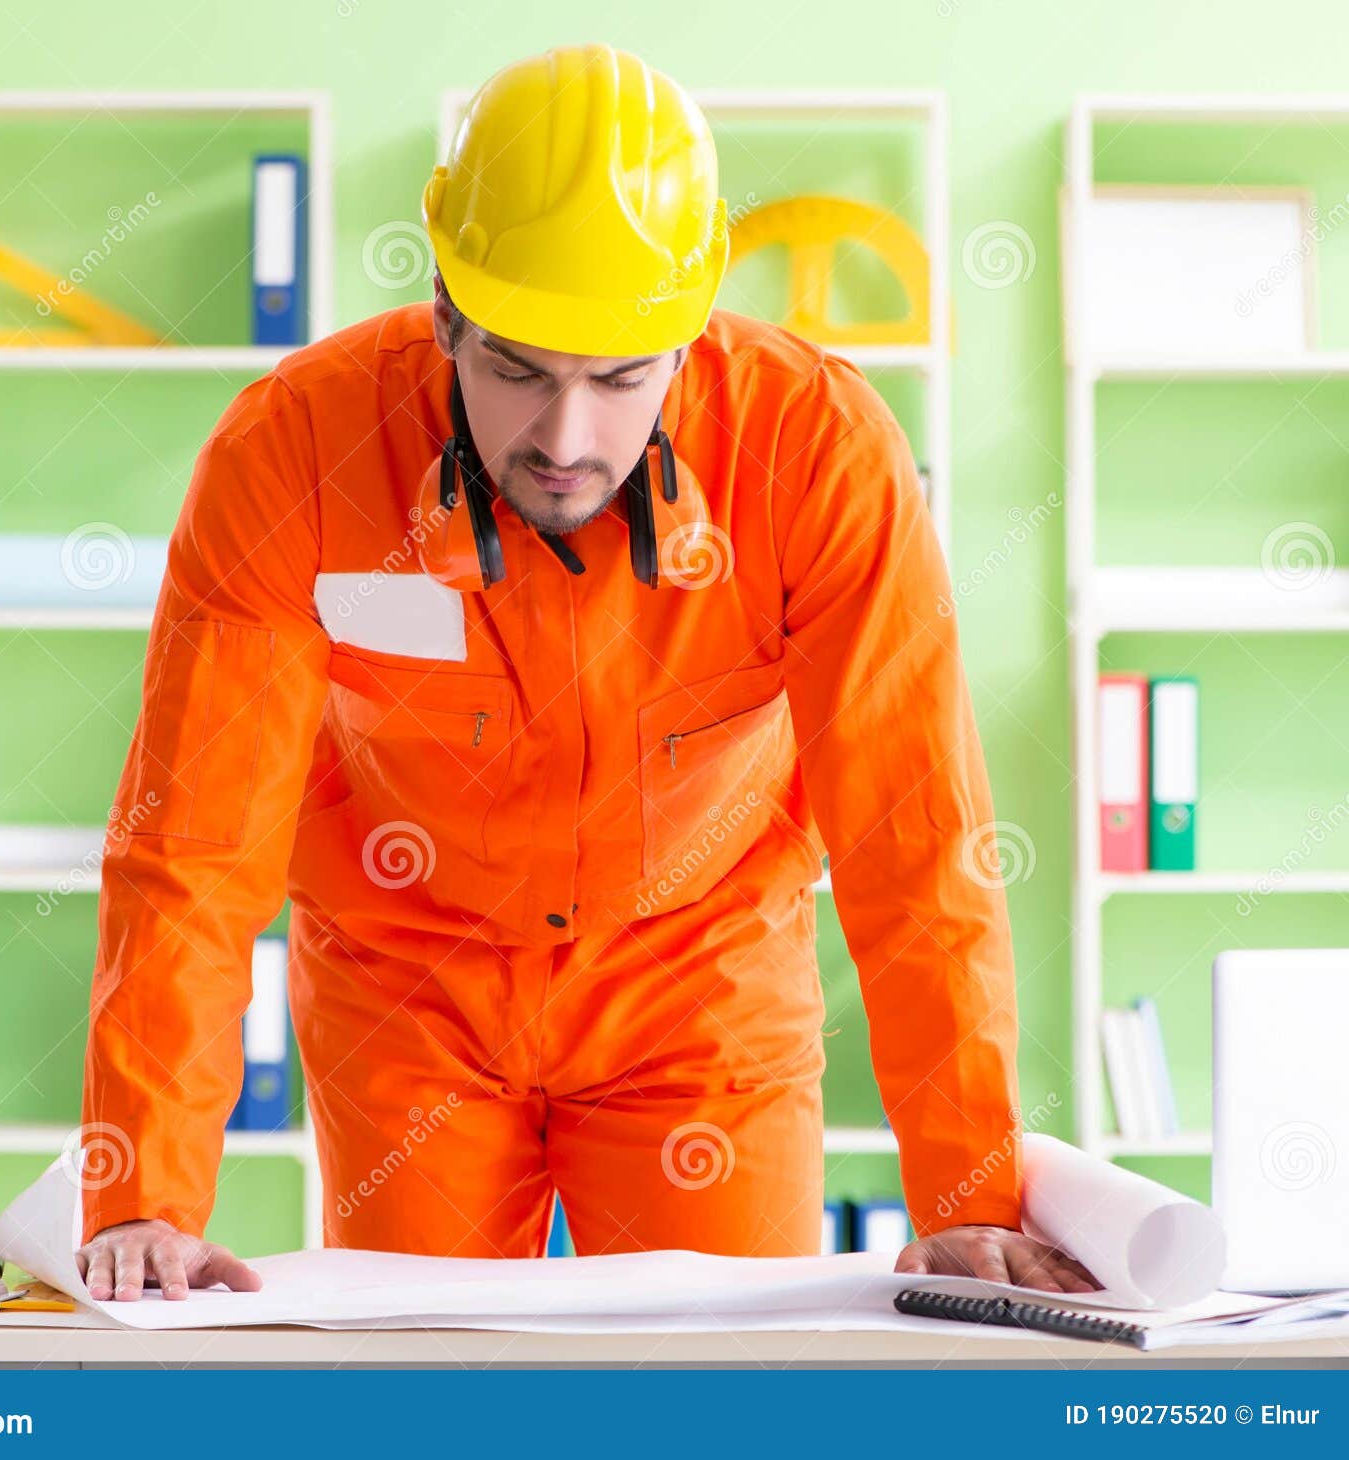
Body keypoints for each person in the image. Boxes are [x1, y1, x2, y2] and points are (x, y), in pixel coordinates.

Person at [73, 42, 1098, 1303]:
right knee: (426, 1390)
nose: (566, 439)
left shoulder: (817, 454)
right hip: (409, 990)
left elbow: (914, 837)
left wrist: (969, 1194)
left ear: (690, 332)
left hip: (698, 984)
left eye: (620, 378)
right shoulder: (291, 451)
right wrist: (146, 1198)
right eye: (516, 369)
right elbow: (193, 846)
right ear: (444, 305)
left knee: (722, 1392)